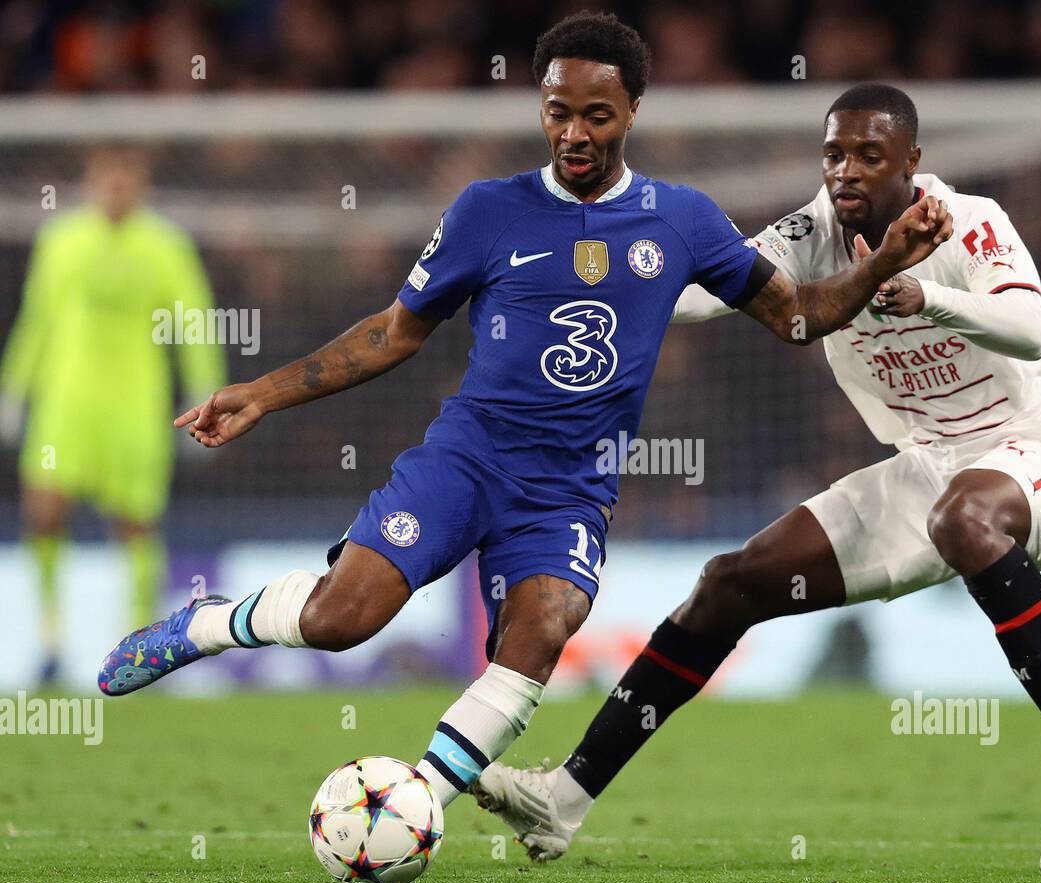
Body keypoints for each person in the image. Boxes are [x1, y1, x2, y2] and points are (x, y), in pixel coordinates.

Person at [96, 18, 952, 838]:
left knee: (542, 628)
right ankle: (202, 623)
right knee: (338, 622)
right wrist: (264, 392)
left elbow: (797, 316)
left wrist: (881, 260)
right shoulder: (487, 210)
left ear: (634, 111)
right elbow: (395, 332)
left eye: (596, 114)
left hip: (569, 488)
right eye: (557, 112)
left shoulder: (683, 218)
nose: (573, 133)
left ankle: (413, 807)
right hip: (467, 457)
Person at [473, 83, 1041, 875]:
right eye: (833, 154)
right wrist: (596, 284)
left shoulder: (970, 221)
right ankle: (563, 800)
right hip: (927, 468)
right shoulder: (812, 230)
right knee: (730, 583)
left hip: (1038, 455)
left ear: (911, 163)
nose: (845, 171)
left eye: (868, 156)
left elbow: (1031, 331)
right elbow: (700, 298)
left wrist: (930, 296)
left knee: (964, 519)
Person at [1, 147, 223, 686]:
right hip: (66, 401)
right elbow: (38, 318)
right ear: (92, 181)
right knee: (45, 510)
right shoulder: (62, 240)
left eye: (128, 178)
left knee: (135, 523)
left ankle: (139, 646)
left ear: (141, 185)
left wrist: (206, 394)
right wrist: (13, 390)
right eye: (108, 177)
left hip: (134, 406)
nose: (118, 188)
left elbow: (195, 323)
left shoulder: (165, 245)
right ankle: (52, 640)